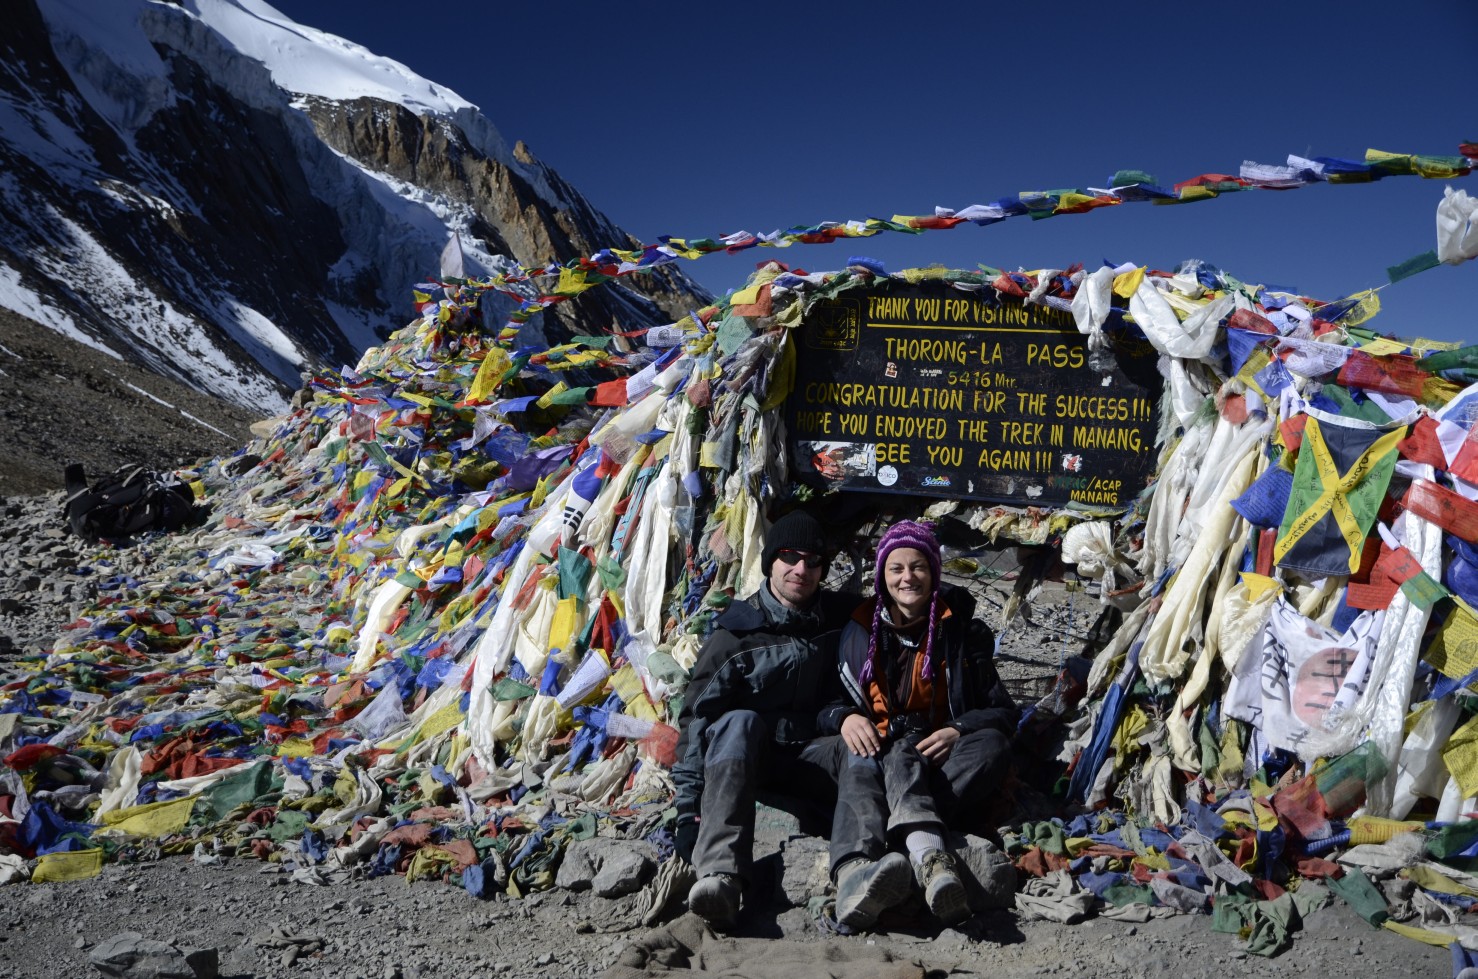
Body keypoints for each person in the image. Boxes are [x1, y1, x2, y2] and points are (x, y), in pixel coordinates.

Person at [815, 519, 1018, 929]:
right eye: (896, 569)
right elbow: (823, 705)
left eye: (918, 567)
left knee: (992, 744)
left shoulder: (962, 632)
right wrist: (845, 717)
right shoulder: (856, 631)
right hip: (882, 750)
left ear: (934, 573)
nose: (908, 577)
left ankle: (897, 833)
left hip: (938, 755)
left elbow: (1002, 711)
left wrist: (956, 729)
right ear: (882, 577)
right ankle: (929, 856)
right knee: (898, 748)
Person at [671, 510, 853, 930]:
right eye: (789, 556)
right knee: (739, 721)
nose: (801, 570)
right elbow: (697, 721)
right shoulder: (736, 635)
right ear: (771, 560)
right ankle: (720, 875)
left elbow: (904, 596)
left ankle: (857, 866)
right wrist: (687, 813)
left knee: (856, 742)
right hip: (748, 763)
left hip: (810, 756)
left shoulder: (838, 619)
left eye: (812, 560)